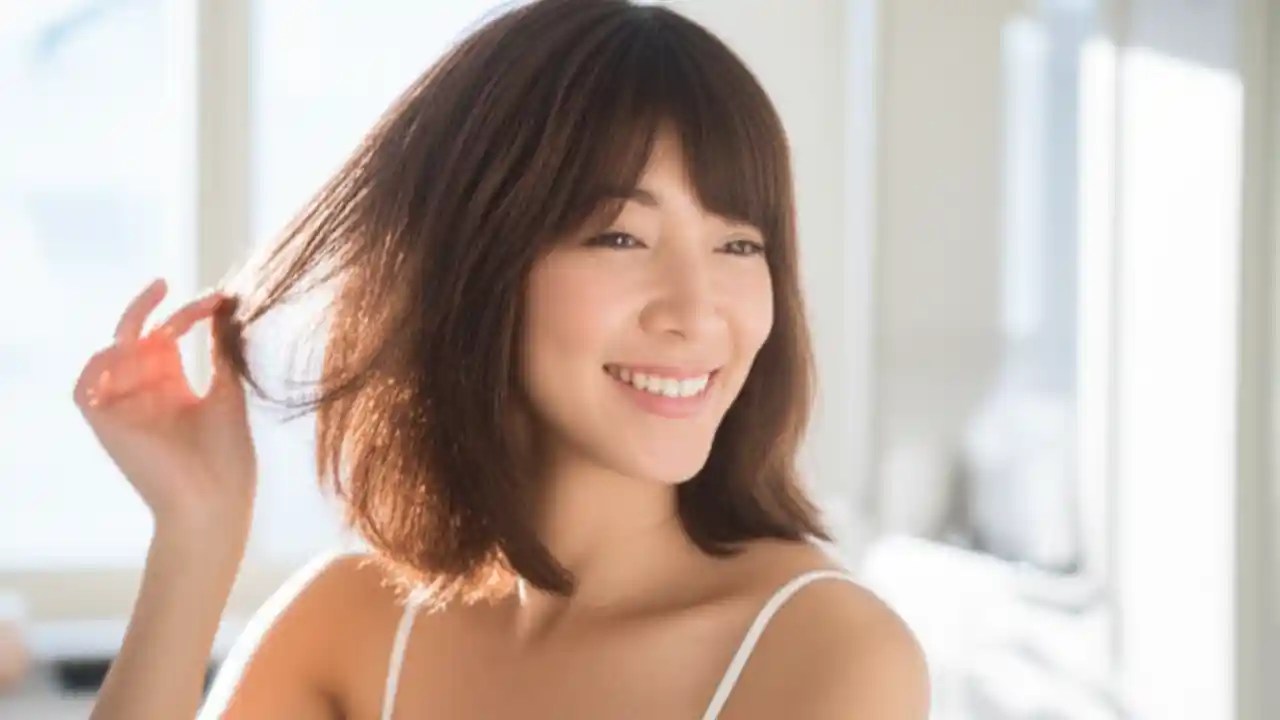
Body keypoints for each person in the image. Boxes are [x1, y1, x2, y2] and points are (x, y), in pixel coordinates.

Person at [73, 0, 930, 717]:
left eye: (740, 246)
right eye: (621, 235)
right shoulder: (352, 626)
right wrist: (196, 532)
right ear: (477, 265)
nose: (695, 310)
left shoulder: (825, 653)